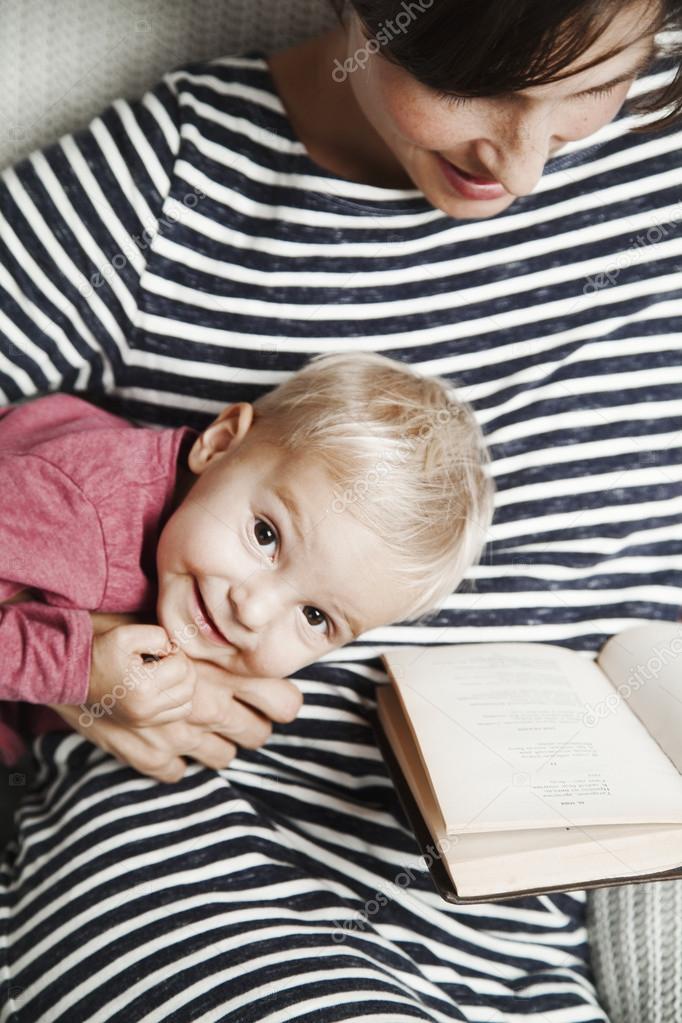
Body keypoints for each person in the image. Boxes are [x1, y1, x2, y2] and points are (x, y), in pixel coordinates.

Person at [0, 0, 680, 1020]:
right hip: (190, 843)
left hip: (502, 914)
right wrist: (70, 660)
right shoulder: (158, 189)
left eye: (590, 89)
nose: (527, 165)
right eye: (473, 89)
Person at [0, 350, 494, 776]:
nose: (253, 611)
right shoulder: (81, 506)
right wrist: (76, 671)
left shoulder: (192, 572)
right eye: (265, 536)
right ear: (219, 444)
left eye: (316, 616)